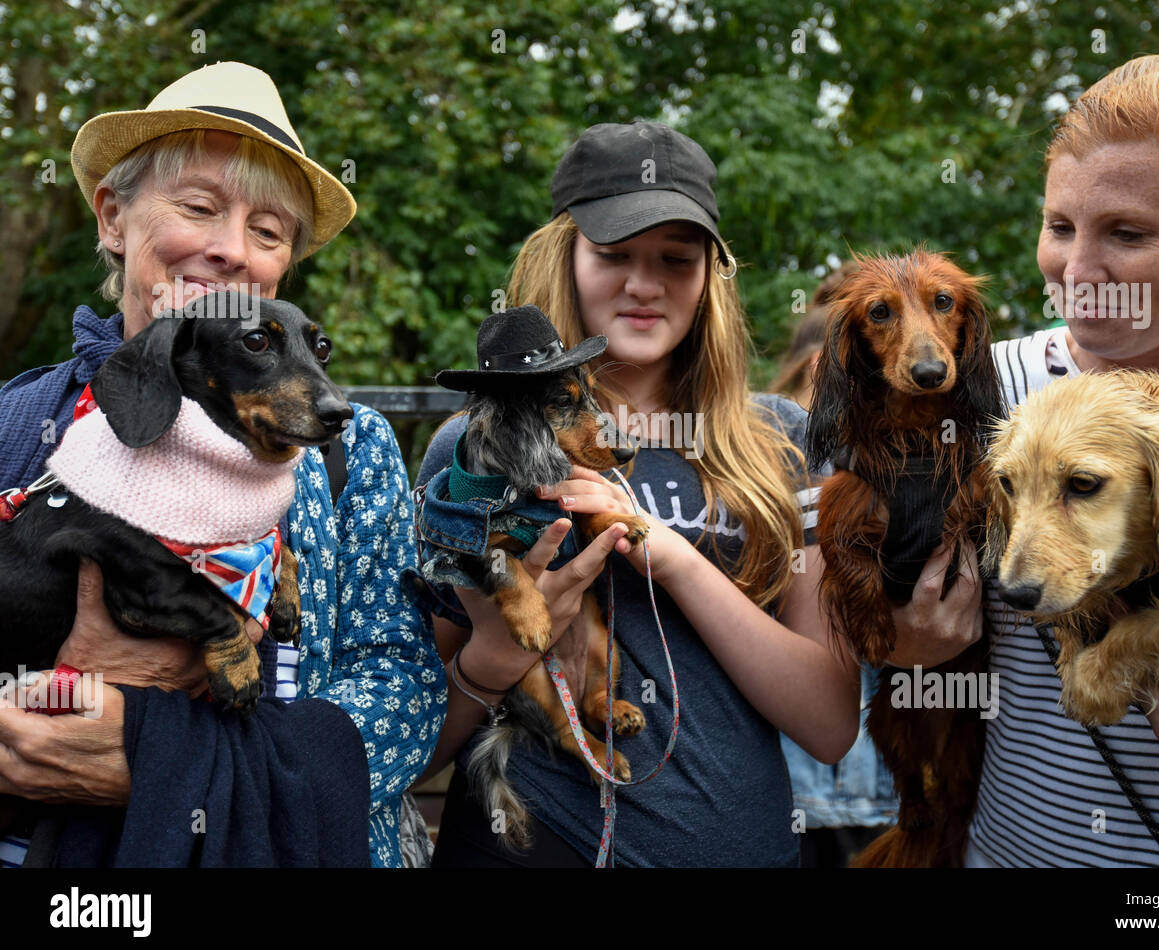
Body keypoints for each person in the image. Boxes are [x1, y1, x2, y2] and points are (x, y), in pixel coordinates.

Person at [0, 62, 444, 867]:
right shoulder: (16, 426)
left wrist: (173, 759)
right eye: (199, 206)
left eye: (268, 231)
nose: (230, 250)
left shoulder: (346, 446)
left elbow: (403, 687)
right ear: (111, 216)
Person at [415, 120, 861, 866]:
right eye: (615, 254)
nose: (645, 284)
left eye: (676, 260)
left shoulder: (786, 441)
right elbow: (418, 739)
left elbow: (828, 721)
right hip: (529, 839)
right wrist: (490, 657)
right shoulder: (471, 449)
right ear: (567, 256)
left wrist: (673, 556)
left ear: (711, 277)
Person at [895, 53, 1159, 866]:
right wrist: (905, 645)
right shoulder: (980, 387)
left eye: (1128, 232)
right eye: (1060, 226)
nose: (1076, 274)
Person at [767, 264, 899, 866]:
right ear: (827, 370)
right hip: (850, 786)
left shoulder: (746, 467)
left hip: (787, 782)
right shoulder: (827, 467)